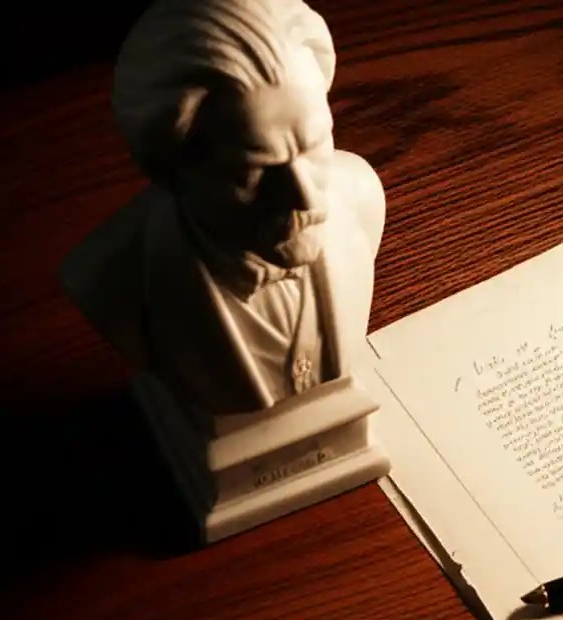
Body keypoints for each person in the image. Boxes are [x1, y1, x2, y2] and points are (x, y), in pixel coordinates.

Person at [62, 0, 384, 415]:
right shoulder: (108, 280)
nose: (305, 198)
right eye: (253, 171)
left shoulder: (361, 197)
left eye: (316, 143)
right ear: (171, 172)